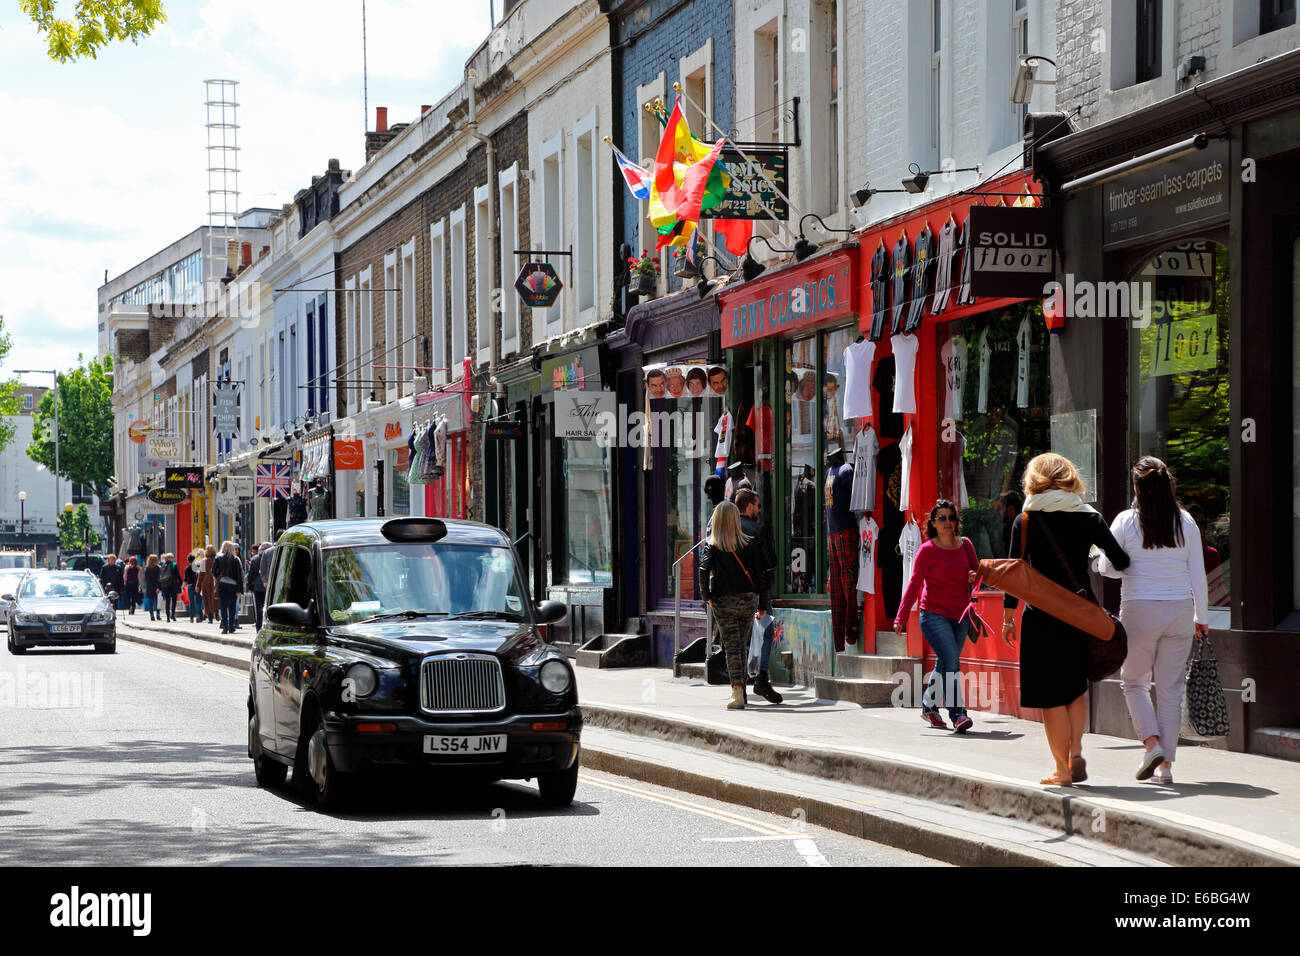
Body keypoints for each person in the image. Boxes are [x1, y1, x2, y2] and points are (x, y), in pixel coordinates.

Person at [1002, 453, 1130, 787]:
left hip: (1039, 618)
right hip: (1079, 615)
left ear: (1035, 479)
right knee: (1074, 689)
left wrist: (1007, 617)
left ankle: (1061, 770)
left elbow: (1014, 572)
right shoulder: (1088, 516)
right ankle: (1075, 752)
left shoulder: (1026, 519)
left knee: (1049, 697)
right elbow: (1119, 559)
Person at [1096, 457, 1209, 785]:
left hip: (1140, 609)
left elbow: (1111, 568)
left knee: (1133, 682)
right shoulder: (1186, 522)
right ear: (1168, 486)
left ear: (1137, 488)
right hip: (1179, 610)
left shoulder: (1126, 522)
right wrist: (1201, 616)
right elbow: (1197, 574)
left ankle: (1152, 745)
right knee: (1171, 688)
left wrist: (1097, 564)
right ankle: (1166, 767)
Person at [894, 500, 980, 733]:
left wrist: (973, 576)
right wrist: (901, 617)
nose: (948, 522)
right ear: (933, 523)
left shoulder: (966, 545)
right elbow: (913, 585)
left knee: (945, 661)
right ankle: (958, 714)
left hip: (961, 615)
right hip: (933, 615)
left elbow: (977, 572)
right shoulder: (927, 550)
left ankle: (929, 707)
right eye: (942, 518)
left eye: (951, 517)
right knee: (952, 661)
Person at [698, 501, 769, 711]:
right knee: (741, 644)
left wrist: (707, 596)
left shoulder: (713, 544)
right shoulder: (750, 542)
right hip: (747, 599)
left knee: (731, 647)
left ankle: (737, 691)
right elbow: (761, 575)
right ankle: (742, 691)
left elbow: (703, 571)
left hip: (723, 600)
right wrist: (763, 602)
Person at [736, 489, 782, 704]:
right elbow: (769, 563)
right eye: (758, 505)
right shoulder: (757, 529)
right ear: (750, 506)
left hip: (731, 594)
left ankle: (739, 686)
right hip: (755, 592)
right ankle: (761, 676)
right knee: (765, 632)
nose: (759, 510)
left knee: (738, 639)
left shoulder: (728, 529)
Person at [215, 540, 244, 634]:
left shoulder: (218, 558)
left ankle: (225, 626)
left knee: (223, 606)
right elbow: (239, 575)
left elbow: (213, 570)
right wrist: (240, 588)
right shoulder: (236, 559)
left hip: (223, 583)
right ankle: (231, 626)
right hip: (233, 585)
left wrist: (218, 575)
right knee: (232, 606)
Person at [247, 542, 271, 630]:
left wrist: (250, 586)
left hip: (258, 587)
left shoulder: (254, 559)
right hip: (268, 586)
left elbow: (251, 574)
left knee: (259, 608)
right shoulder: (271, 556)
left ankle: (259, 626)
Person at [199, 545, 219, 625]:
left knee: (206, 599)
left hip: (206, 582)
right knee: (214, 598)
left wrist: (198, 585)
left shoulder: (204, 561)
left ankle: (210, 618)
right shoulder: (217, 560)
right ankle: (216, 612)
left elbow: (201, 573)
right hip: (215, 581)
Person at [158, 552, 181, 622]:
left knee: (167, 601)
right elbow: (178, 575)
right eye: (172, 557)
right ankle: (173, 615)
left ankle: (168, 617)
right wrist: (181, 583)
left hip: (165, 586)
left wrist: (160, 587)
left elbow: (160, 577)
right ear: (170, 558)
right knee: (174, 601)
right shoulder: (174, 565)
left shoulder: (162, 566)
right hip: (173, 585)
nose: (173, 559)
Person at [185, 551, 204, 623]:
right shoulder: (197, 567)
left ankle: (191, 618)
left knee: (191, 602)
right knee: (198, 601)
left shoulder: (187, 568)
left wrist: (182, 586)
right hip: (197, 586)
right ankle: (199, 616)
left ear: (188, 560)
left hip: (190, 586)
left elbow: (185, 579)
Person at [142, 554, 161, 621]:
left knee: (151, 602)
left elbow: (146, 578)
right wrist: (159, 587)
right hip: (156, 586)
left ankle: (152, 615)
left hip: (150, 586)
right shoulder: (158, 568)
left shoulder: (147, 568)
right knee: (158, 602)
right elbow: (159, 578)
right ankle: (158, 614)